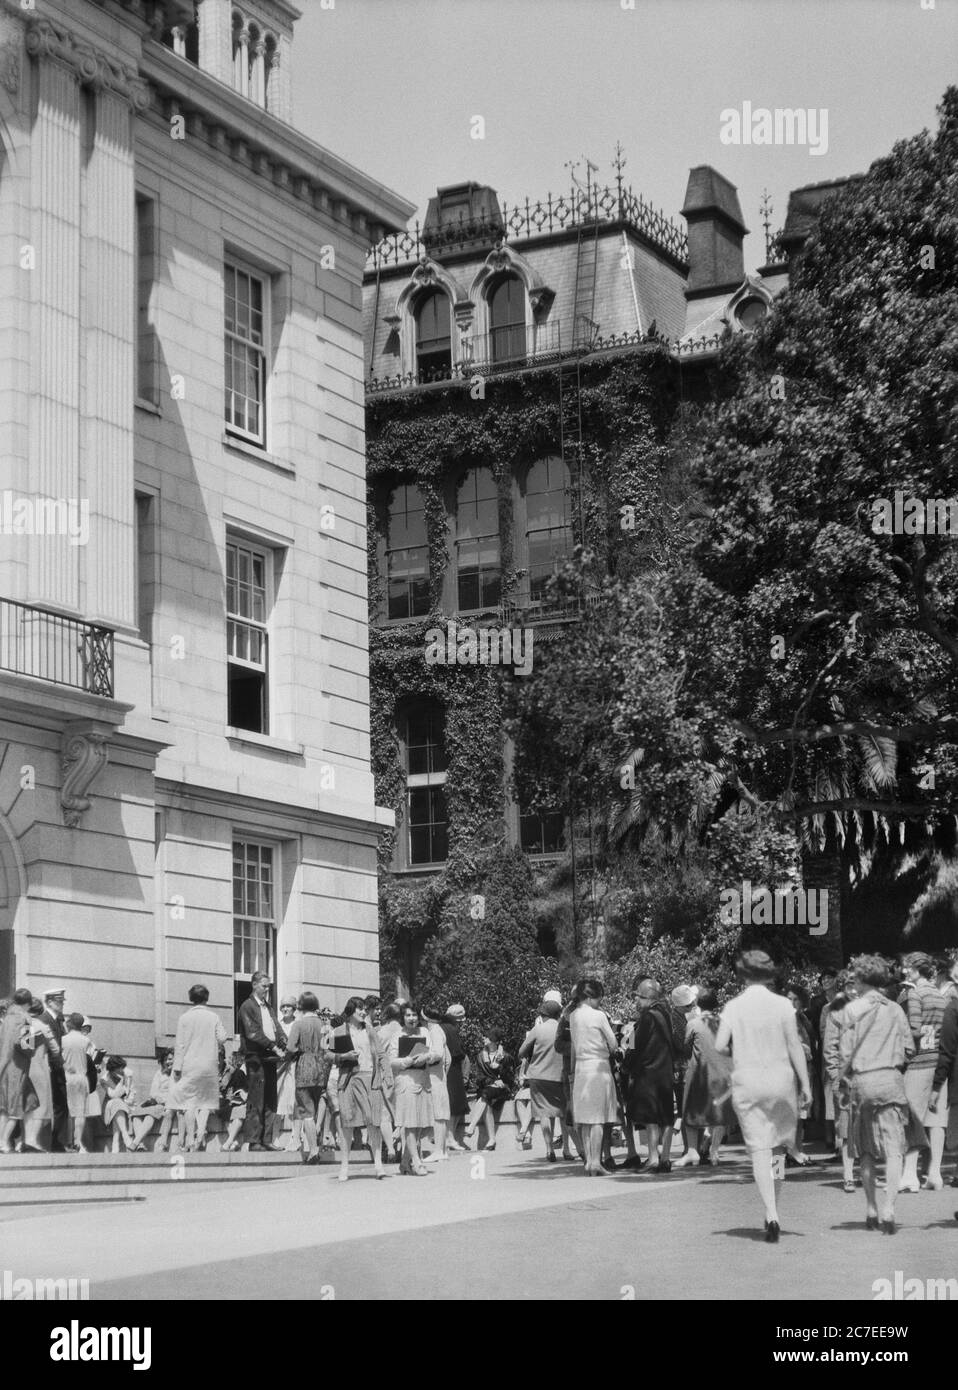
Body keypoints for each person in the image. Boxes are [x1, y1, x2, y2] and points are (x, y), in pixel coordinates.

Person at [715, 951, 810, 1243]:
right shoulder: (782, 1004)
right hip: (780, 1080)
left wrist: (738, 1059)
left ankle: (771, 1212)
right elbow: (794, 1045)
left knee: (759, 1148)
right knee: (779, 1147)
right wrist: (806, 1084)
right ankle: (775, 1205)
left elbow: (719, 1046)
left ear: (742, 974)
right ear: (770, 974)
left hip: (748, 1081)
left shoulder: (734, 1006)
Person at [841, 955, 919, 1234]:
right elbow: (910, 1048)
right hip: (891, 1081)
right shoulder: (896, 1010)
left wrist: (844, 1081)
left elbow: (845, 1053)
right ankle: (889, 1208)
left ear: (861, 980)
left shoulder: (852, 1010)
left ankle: (871, 1207)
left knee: (865, 1151)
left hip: (863, 1083)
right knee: (894, 1148)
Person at [897, 952, 947, 1191]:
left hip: (918, 1061)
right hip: (939, 1060)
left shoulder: (915, 994)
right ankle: (934, 1173)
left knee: (913, 1118)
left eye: (907, 968)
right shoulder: (940, 994)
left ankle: (909, 1174)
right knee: (936, 1120)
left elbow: (914, 1029)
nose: (905, 972)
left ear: (915, 970)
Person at [621, 979, 682, 1172]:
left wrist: (625, 1063)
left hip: (648, 1073)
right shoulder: (666, 1014)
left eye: (638, 997)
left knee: (650, 1117)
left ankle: (653, 1157)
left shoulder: (647, 1017)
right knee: (665, 1116)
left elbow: (634, 1045)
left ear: (648, 997)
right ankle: (665, 1159)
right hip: (665, 1072)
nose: (636, 1001)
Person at [325, 996, 387, 1181]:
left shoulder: (370, 1030)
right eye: (359, 1009)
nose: (363, 1012)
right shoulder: (338, 1031)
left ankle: (378, 1165)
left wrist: (387, 1076)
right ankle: (344, 1167)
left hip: (370, 1079)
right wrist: (343, 1056)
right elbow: (327, 1054)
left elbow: (381, 1053)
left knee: (374, 1122)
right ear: (350, 1011)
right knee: (347, 1123)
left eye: (364, 1009)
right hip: (348, 1080)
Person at [676, 987, 734, 1168]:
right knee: (719, 1115)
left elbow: (685, 1048)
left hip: (698, 1073)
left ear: (698, 1004)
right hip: (722, 1073)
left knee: (691, 1112)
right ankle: (714, 1151)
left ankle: (692, 1151)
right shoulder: (725, 1022)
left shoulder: (693, 1023)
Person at [568, 978, 619, 1176]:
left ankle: (589, 1160)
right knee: (597, 1118)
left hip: (581, 1068)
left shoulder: (572, 1016)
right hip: (598, 1067)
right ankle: (597, 1161)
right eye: (598, 998)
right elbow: (613, 1043)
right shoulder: (599, 1016)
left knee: (585, 1119)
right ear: (590, 997)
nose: (600, 1001)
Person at [170, 984, 227, 1152]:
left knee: (189, 1103)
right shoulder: (213, 1017)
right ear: (206, 998)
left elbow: (179, 1045)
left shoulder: (184, 1018)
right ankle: (200, 1134)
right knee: (206, 1102)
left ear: (191, 999)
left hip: (189, 1064)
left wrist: (177, 1067)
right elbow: (223, 1038)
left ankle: (189, 1138)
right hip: (209, 1065)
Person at [238, 971, 287, 1152]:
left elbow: (277, 1028)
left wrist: (285, 1043)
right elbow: (253, 1032)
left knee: (270, 1100)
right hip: (256, 1058)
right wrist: (273, 1046)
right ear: (254, 985)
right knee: (256, 1100)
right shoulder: (247, 1006)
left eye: (268, 986)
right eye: (264, 985)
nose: (267, 989)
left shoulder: (268, 1007)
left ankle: (266, 1139)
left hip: (269, 1059)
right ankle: (253, 1140)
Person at [517, 999, 571, 1161]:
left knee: (545, 1114)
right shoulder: (565, 1029)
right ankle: (567, 1150)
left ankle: (549, 1150)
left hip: (539, 1076)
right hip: (560, 1075)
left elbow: (521, 1052)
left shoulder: (537, 1029)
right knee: (563, 1114)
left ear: (543, 1015)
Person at [387, 1002, 437, 1175]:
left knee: (420, 1124)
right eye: (408, 1015)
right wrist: (406, 1061)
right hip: (405, 1080)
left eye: (414, 1015)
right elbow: (391, 1060)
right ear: (403, 1017)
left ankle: (404, 1162)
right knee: (409, 1123)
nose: (412, 1018)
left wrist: (427, 1057)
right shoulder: (397, 1035)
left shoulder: (425, 1032)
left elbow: (434, 1052)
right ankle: (416, 1161)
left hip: (423, 1079)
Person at [821, 973, 859, 1191]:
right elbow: (829, 1047)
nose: (855, 990)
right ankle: (848, 1174)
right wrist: (835, 1074)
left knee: (863, 1127)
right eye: (851, 986)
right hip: (845, 1078)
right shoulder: (837, 1009)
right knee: (845, 1129)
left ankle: (862, 1171)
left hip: (866, 1076)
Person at [284, 992, 330, 1165]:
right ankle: (315, 1145)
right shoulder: (324, 1024)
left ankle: (313, 1149)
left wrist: (294, 1053)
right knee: (316, 1107)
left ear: (301, 1007)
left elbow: (290, 1047)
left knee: (306, 1111)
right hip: (321, 1067)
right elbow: (328, 1046)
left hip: (304, 1065)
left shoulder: (299, 1024)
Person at [466, 1028, 514, 1152]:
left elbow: (511, 1078)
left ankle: (472, 1126)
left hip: (503, 1089)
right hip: (486, 1088)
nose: (483, 1039)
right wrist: (493, 1081)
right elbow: (479, 1078)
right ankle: (492, 1140)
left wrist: (501, 1071)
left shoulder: (506, 1057)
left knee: (485, 1095)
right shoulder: (480, 1057)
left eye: (486, 1037)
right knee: (486, 1099)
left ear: (493, 1039)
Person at [0, 988, 35, 1153]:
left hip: (4, 1067)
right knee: (16, 1111)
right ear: (28, 1003)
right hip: (18, 1068)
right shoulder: (25, 1019)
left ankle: (2, 1142)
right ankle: (3, 1142)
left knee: (4, 1109)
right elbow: (27, 1047)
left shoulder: (7, 1018)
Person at [22, 998, 58, 1153]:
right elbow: (55, 1050)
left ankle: (23, 1140)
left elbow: (24, 1047)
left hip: (24, 1069)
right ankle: (31, 1139)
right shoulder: (43, 1026)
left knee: (28, 1106)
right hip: (39, 1070)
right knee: (41, 1106)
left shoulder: (24, 1026)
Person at [39, 986, 68, 1150]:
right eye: (58, 1001)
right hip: (51, 1070)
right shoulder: (45, 1020)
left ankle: (54, 1140)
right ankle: (52, 1141)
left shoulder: (57, 1020)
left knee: (60, 1106)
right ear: (49, 1002)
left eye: (62, 1001)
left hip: (57, 1069)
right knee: (56, 1106)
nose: (61, 1004)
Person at [422, 1006, 451, 1162]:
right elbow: (449, 1058)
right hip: (439, 1076)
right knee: (440, 1115)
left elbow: (439, 1054)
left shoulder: (434, 1031)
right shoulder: (439, 1030)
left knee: (438, 1115)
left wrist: (425, 1057)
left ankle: (439, 1150)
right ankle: (442, 1150)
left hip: (434, 1076)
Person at [60, 1012, 93, 1153]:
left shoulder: (62, 1039)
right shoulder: (86, 1041)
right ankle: (78, 1141)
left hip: (66, 1077)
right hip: (81, 1077)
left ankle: (67, 1141)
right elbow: (92, 1059)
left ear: (70, 1024)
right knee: (80, 1112)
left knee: (67, 1112)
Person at [273, 997, 301, 1151]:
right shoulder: (277, 1025)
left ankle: (295, 1137)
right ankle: (275, 1137)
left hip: (295, 1066)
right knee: (278, 1101)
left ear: (294, 1008)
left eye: (288, 1006)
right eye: (283, 1006)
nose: (285, 1009)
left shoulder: (298, 1024)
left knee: (295, 1102)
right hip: (280, 1065)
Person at [441, 1004, 469, 1151]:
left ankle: (448, 1137)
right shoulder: (450, 1029)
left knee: (454, 1105)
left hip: (449, 1069)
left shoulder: (442, 1027)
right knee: (455, 1105)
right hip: (452, 1070)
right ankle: (450, 1138)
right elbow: (456, 1052)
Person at [102, 1054, 138, 1153]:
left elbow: (132, 1092)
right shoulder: (105, 1079)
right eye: (118, 1069)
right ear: (112, 1070)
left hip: (127, 1105)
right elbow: (113, 1095)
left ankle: (115, 1142)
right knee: (116, 1102)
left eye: (122, 1068)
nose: (121, 1071)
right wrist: (121, 1082)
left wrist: (127, 1102)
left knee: (118, 1105)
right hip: (109, 1106)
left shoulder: (128, 1074)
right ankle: (126, 1136)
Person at [219, 1055, 249, 1152]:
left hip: (238, 1101)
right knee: (224, 1110)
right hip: (224, 1103)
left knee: (239, 1111)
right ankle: (234, 1142)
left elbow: (244, 1091)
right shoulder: (216, 1073)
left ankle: (229, 1142)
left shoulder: (238, 1073)